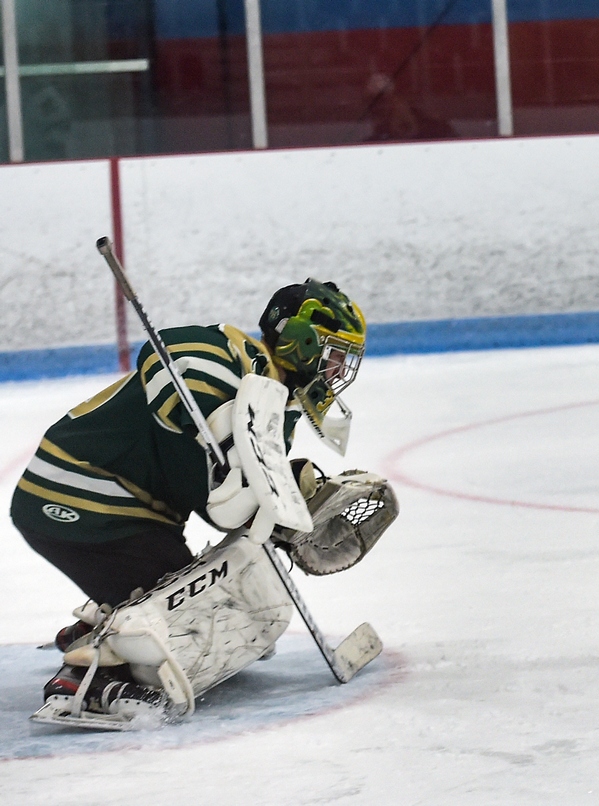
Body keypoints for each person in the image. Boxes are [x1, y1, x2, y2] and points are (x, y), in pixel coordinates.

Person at [12, 279, 367, 719]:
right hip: (79, 494)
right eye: (334, 355)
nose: (338, 371)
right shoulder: (230, 354)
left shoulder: (276, 408)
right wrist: (211, 421)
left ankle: (103, 618)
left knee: (226, 609)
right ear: (301, 342)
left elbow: (227, 503)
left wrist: (289, 495)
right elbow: (168, 354)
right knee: (195, 615)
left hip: (129, 513)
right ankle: (88, 677)